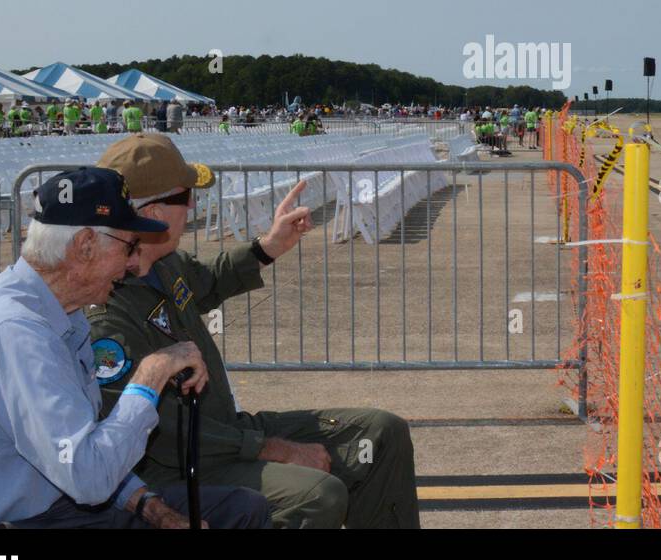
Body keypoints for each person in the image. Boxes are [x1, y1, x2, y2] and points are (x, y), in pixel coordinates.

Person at [0, 166, 269, 529]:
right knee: (237, 512)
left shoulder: (56, 309)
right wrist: (151, 374)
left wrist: (150, 506)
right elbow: (89, 476)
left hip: (55, 504)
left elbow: (84, 451)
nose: (132, 263)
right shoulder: (16, 330)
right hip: (6, 523)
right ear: (85, 246)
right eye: (128, 246)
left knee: (240, 508)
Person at [87, 135, 421, 528]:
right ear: (153, 212)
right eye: (184, 197)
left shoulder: (164, 264)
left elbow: (207, 281)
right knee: (315, 497)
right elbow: (162, 433)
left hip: (222, 433)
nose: (193, 204)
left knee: (381, 434)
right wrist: (271, 449)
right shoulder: (108, 316)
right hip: (179, 463)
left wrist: (267, 247)